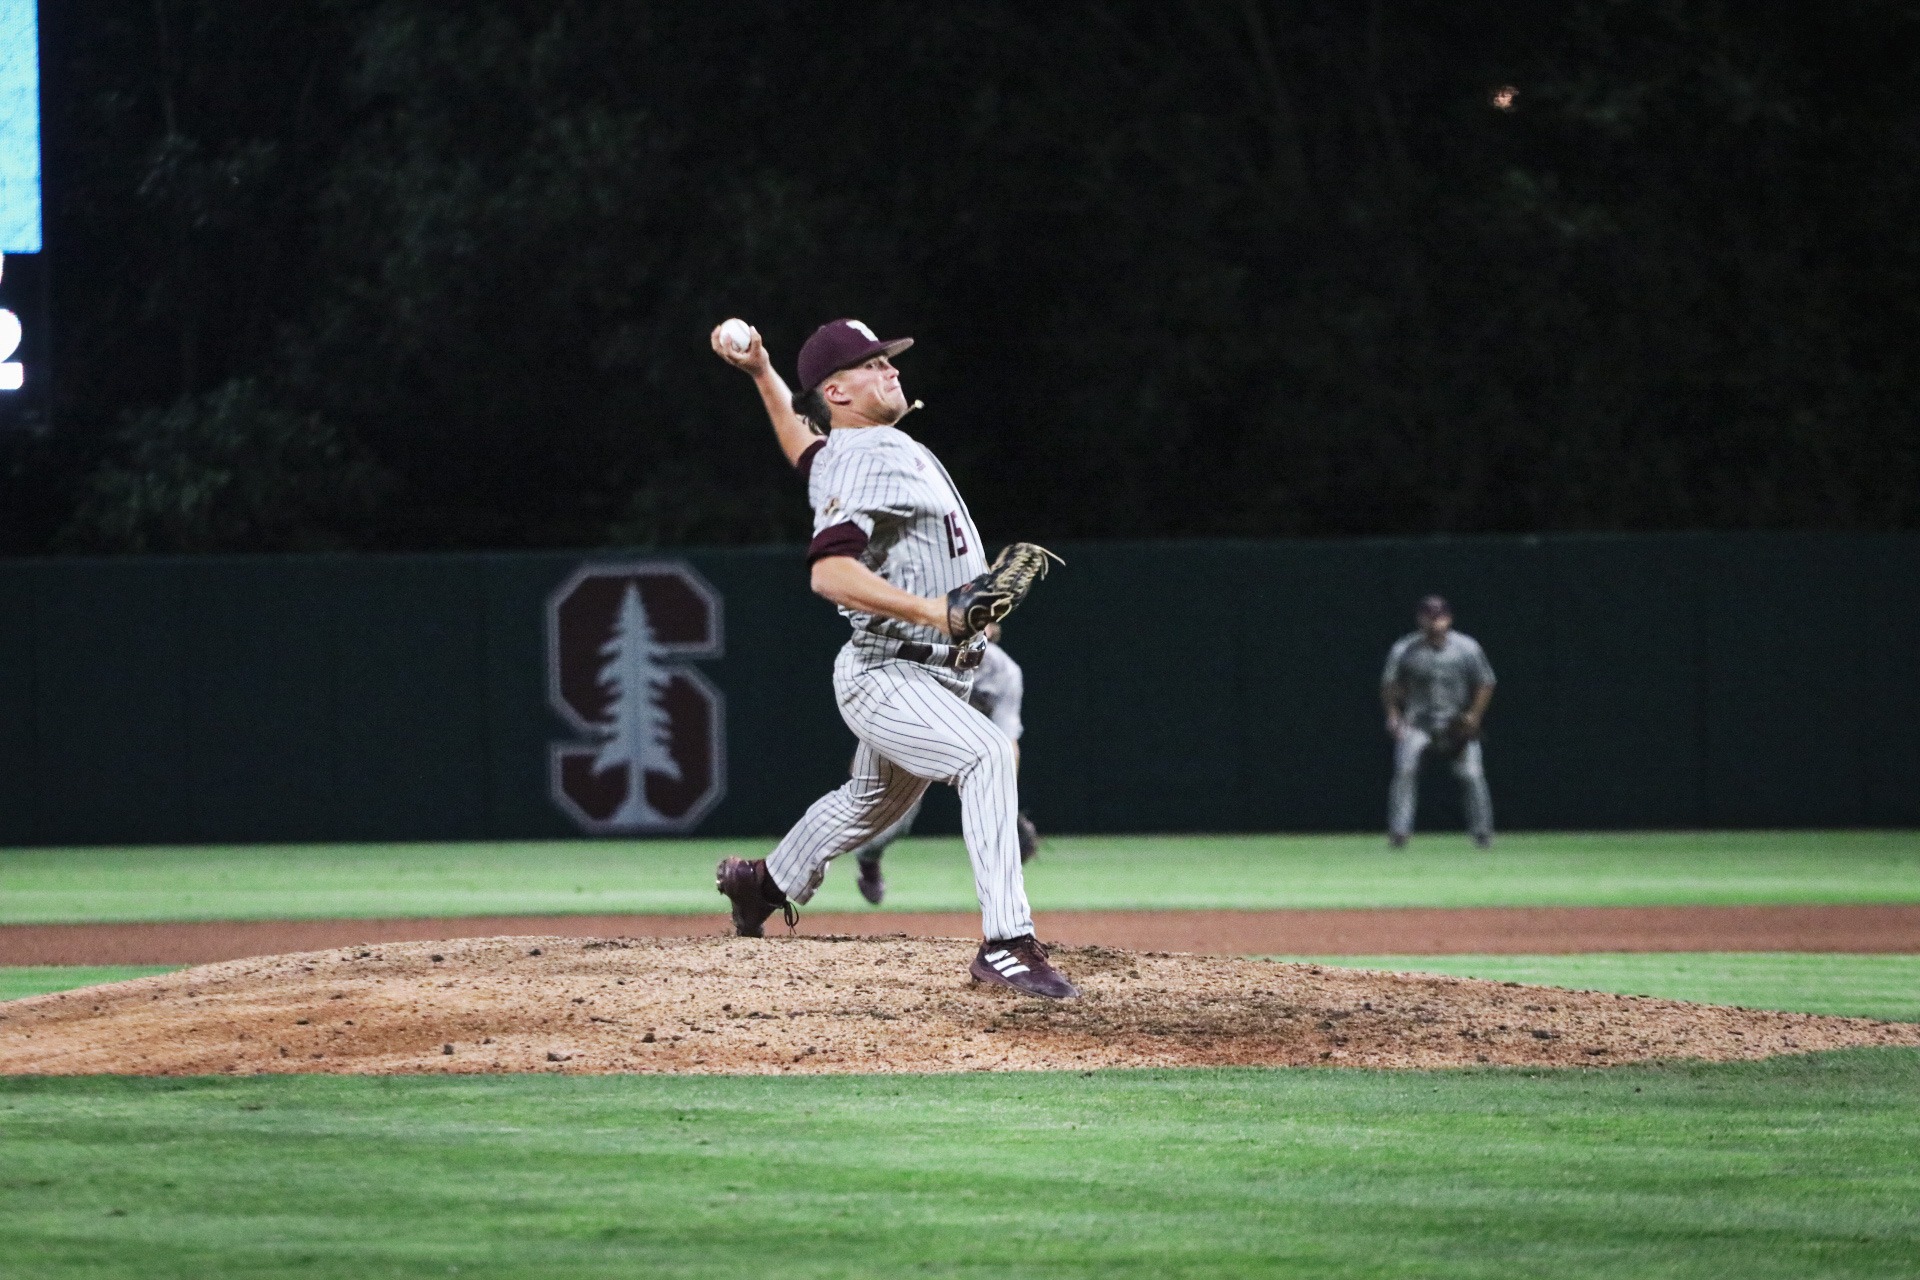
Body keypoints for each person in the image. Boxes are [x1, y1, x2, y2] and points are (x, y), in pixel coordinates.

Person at [707, 317, 1077, 999]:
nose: (892, 370)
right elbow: (828, 573)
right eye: (874, 364)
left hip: (928, 670)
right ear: (838, 391)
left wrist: (762, 374)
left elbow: (803, 450)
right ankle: (1007, 944)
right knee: (987, 754)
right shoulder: (871, 452)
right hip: (889, 669)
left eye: (888, 361)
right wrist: (938, 611)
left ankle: (760, 885)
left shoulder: (848, 453)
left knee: (867, 803)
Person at [849, 622, 1040, 906]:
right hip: (918, 741)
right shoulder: (927, 656)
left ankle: (999, 901)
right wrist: (871, 752)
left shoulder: (1004, 674)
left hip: (971, 751)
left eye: (981, 627)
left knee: (991, 820)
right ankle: (868, 858)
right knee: (896, 823)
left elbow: (1006, 741)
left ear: (991, 632)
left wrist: (1005, 801)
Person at [1380, 595, 1496, 848]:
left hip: (1456, 723)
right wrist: (1393, 716)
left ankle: (1483, 833)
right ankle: (1399, 834)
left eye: (1439, 616)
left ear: (1449, 618)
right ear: (1419, 618)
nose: (1434, 622)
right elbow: (1389, 684)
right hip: (1417, 722)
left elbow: (1485, 682)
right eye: (1429, 616)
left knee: (1472, 775)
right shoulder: (1404, 649)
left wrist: (1474, 716)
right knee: (1405, 770)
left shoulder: (1467, 647)